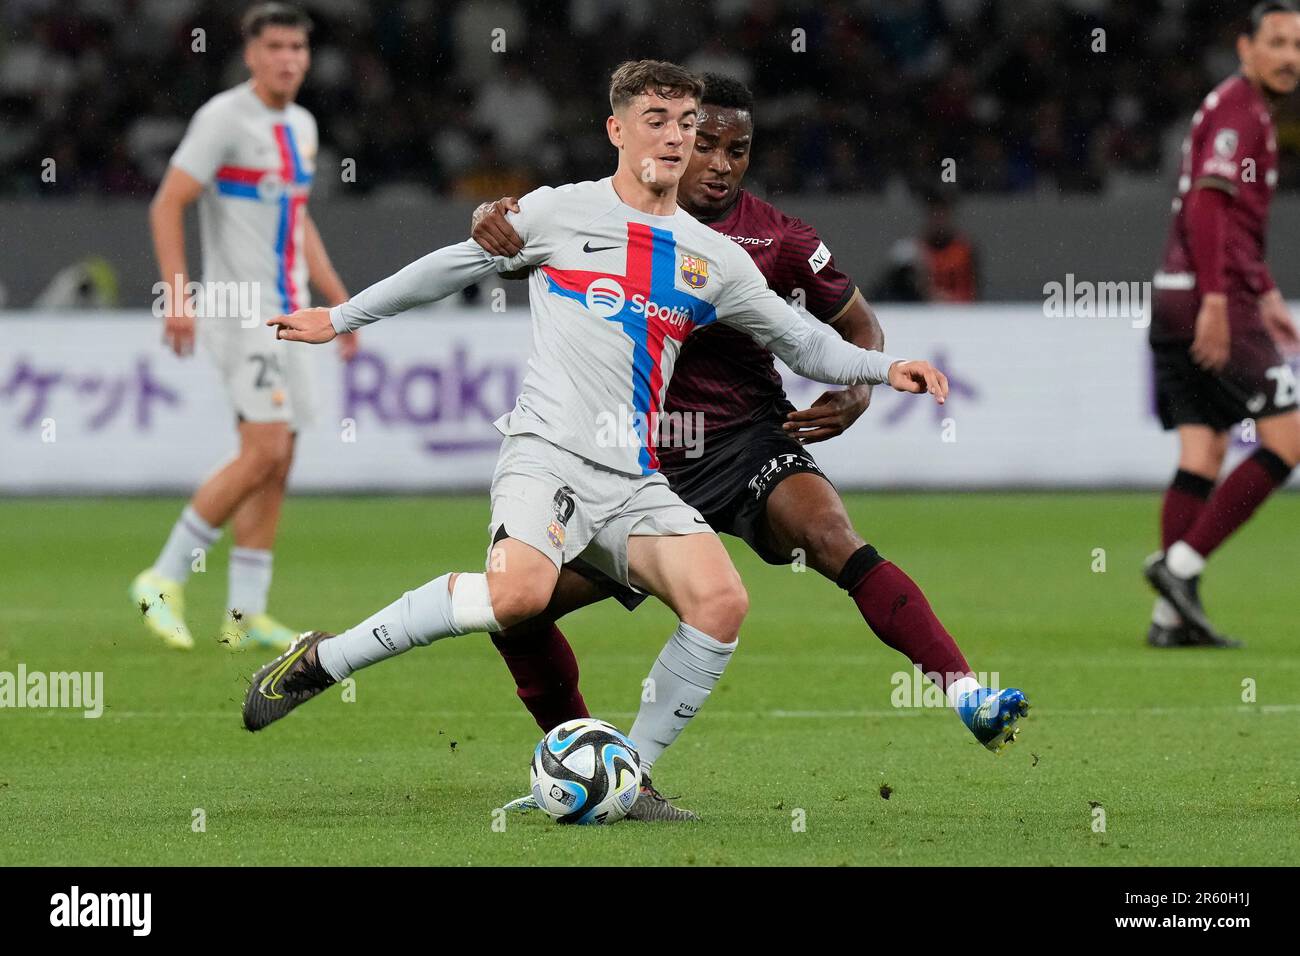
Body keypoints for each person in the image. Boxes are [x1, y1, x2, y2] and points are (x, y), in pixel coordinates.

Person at [240, 60, 949, 823]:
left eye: (685, 124)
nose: (676, 138)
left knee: (719, 601)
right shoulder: (557, 213)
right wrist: (340, 318)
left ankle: (628, 776)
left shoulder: (716, 261)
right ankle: (324, 660)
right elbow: (451, 267)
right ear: (617, 130)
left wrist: (884, 366)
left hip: (636, 476)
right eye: (658, 121)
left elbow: (803, 344)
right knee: (518, 598)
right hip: (547, 453)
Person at [472, 74, 1029, 821]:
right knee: (519, 611)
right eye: (706, 144)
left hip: (749, 441)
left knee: (833, 535)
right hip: (645, 462)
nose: (722, 163)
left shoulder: (782, 239)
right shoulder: (609, 217)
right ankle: (598, 767)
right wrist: (488, 217)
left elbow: (858, 329)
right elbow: (509, 239)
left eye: (738, 149)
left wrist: (860, 390)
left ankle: (967, 693)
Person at [132, 3, 357, 652]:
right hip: (239, 309)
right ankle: (161, 577)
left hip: (292, 313)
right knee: (262, 450)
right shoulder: (223, 119)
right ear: (253, 55)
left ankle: (243, 615)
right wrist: (179, 295)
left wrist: (338, 302)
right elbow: (168, 201)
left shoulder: (303, 126)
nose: (288, 57)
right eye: (276, 46)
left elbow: (299, 219)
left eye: (298, 47)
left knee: (280, 459)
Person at [1144, 1, 1300, 648]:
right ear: (1246, 48)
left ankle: (1169, 619)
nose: (1291, 56)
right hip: (1210, 301)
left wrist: (1262, 291)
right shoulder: (1242, 110)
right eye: (1277, 42)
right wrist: (1220, 300)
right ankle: (1179, 569)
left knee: (1202, 451)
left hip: (1176, 294)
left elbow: (1230, 223)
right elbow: (1210, 206)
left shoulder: (1238, 106)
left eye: (1298, 45)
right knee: (1288, 441)